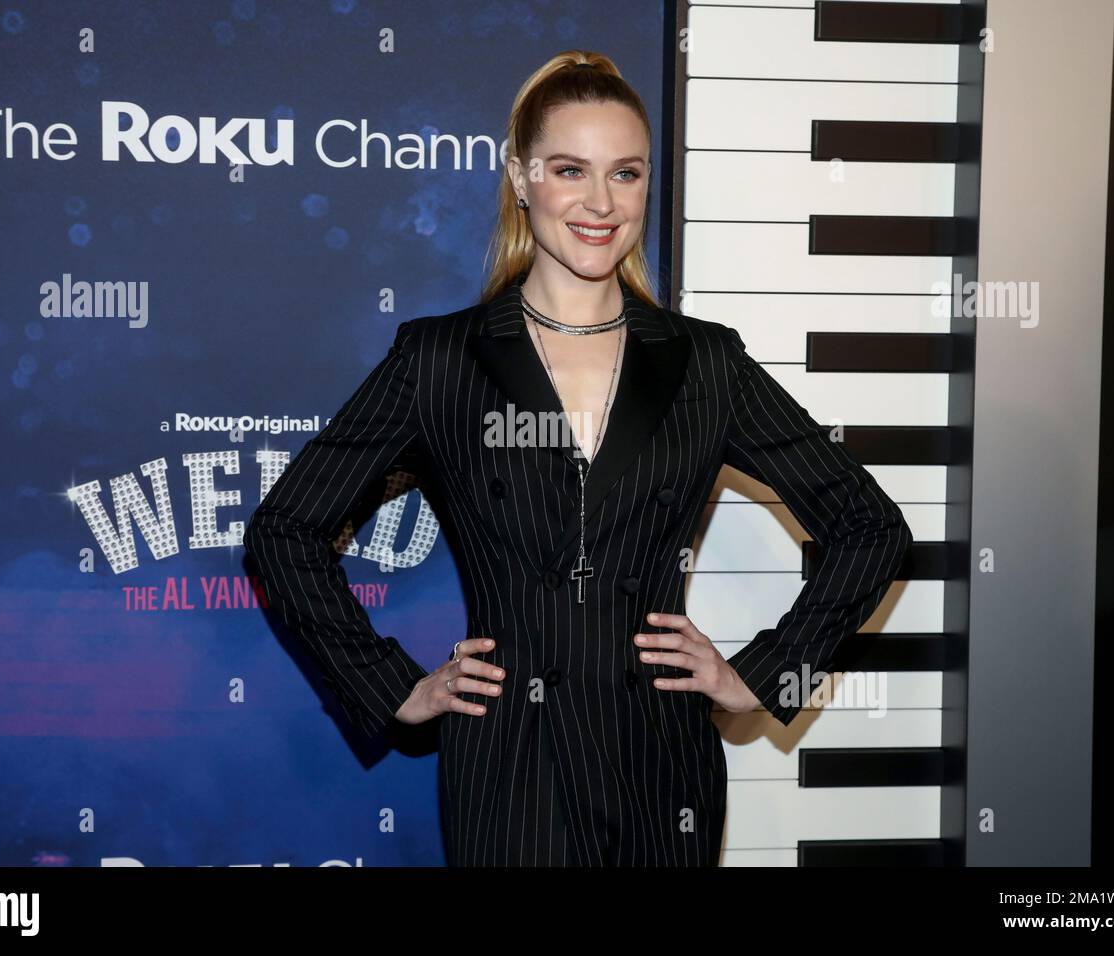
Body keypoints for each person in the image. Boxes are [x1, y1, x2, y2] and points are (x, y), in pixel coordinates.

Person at [243, 50, 912, 867]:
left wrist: (759, 672)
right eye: (570, 170)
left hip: (662, 768)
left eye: (626, 174)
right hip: (510, 770)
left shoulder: (704, 363)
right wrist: (394, 686)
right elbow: (285, 530)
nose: (600, 203)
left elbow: (869, 527)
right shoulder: (442, 360)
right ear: (522, 179)